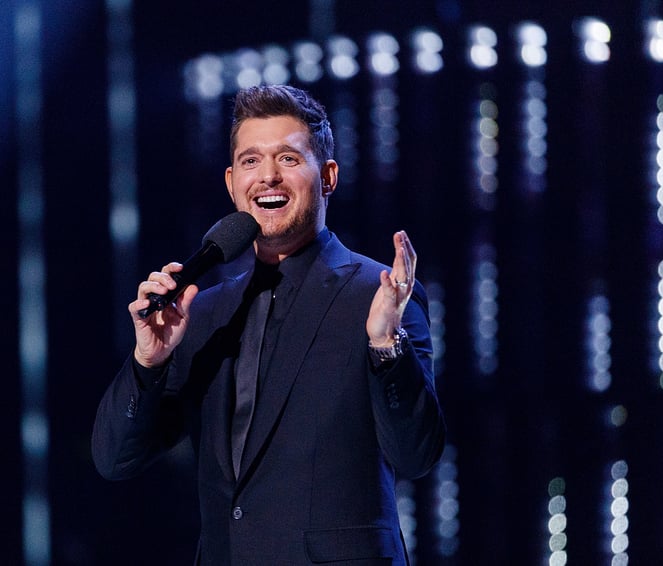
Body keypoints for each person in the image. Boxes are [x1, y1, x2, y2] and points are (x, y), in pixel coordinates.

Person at [92, 84, 446, 565]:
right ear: (231, 181)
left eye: (288, 158)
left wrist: (385, 344)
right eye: (251, 161)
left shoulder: (376, 294)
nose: (268, 178)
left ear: (328, 177)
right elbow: (115, 460)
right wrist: (147, 363)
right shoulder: (203, 311)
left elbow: (416, 455)